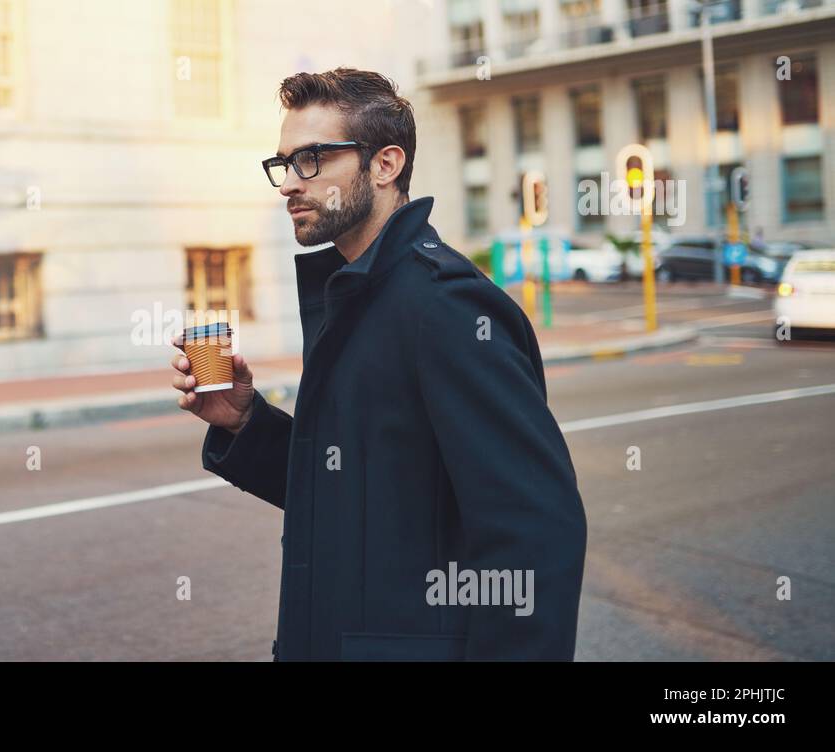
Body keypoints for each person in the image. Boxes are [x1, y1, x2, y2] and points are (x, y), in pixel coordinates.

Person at [169, 68, 587, 661]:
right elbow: (353, 488)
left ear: (385, 164)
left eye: (311, 159)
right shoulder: (356, 293)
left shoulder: (446, 307)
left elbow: (535, 532)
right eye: (283, 163)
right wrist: (244, 422)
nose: (289, 183)